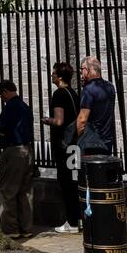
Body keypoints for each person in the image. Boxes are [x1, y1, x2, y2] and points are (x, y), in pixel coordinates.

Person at [42, 61, 80, 233]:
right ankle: (78, 219)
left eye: (53, 73)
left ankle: (71, 222)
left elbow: (58, 120)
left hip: (63, 145)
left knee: (66, 183)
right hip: (75, 144)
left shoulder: (59, 94)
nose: (51, 75)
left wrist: (46, 120)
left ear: (59, 76)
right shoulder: (73, 94)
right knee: (75, 182)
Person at [0, 80, 34, 239]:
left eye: (0, 95)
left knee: (8, 191)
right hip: (27, 150)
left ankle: (11, 228)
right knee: (25, 191)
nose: (1, 98)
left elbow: (3, 130)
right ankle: (26, 227)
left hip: (13, 150)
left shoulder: (10, 107)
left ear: (5, 91)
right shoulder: (25, 106)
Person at [77, 56, 117, 154]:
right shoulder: (110, 87)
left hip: (91, 142)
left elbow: (82, 120)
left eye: (81, 70)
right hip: (107, 140)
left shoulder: (88, 90)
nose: (81, 74)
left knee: (89, 169)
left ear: (87, 69)